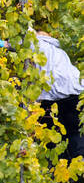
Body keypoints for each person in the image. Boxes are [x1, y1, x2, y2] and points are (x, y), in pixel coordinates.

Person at [35, 30, 84, 163]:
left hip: (52, 97)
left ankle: (60, 171)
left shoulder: (36, 43)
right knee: (76, 133)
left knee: (53, 137)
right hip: (76, 92)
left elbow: (21, 42)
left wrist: (2, 43)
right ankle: (78, 172)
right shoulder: (59, 51)